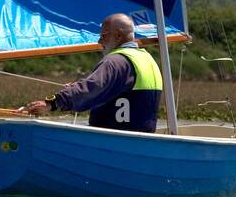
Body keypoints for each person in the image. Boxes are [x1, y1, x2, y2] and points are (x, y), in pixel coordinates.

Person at [21, 13, 163, 132]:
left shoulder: (115, 61)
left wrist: (52, 103)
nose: (99, 40)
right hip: (141, 139)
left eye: (104, 35)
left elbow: (91, 88)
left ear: (119, 35)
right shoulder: (147, 58)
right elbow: (111, 89)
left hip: (113, 141)